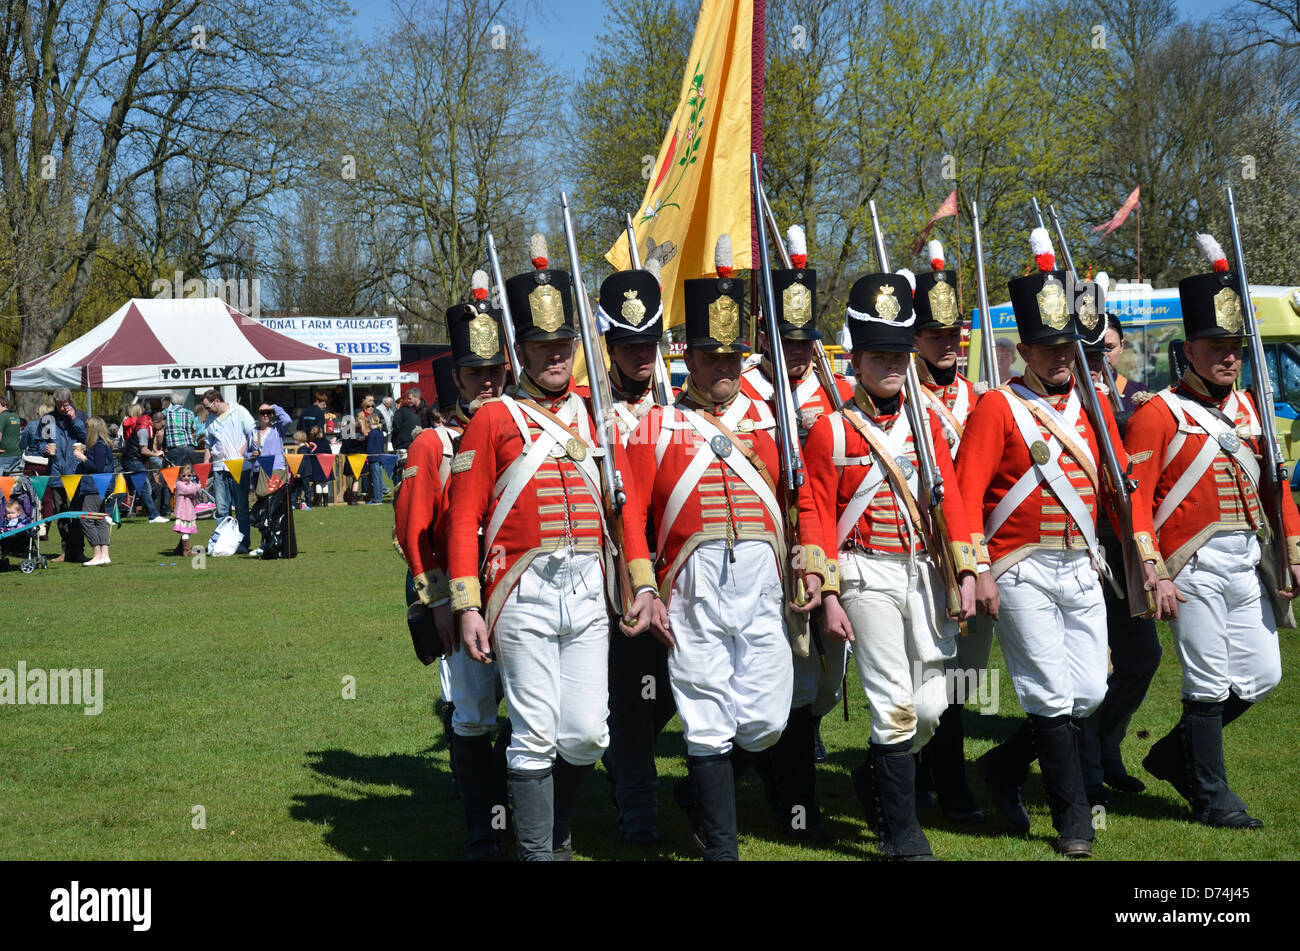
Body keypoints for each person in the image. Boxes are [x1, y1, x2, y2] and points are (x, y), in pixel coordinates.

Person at [619, 234, 827, 861]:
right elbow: (630, 512)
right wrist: (645, 586)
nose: (723, 370)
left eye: (732, 357)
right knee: (706, 715)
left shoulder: (773, 423)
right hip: (691, 586)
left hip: (763, 587)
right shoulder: (656, 426)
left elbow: (804, 499)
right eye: (711, 359)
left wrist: (810, 561)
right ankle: (721, 844)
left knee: (766, 718)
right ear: (688, 360)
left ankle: (704, 802)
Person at [956, 228, 1162, 858]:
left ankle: (1002, 769)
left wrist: (1147, 556)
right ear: (1024, 349)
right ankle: (1074, 818)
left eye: (1067, 346)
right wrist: (976, 568)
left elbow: (1125, 490)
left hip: (1081, 565)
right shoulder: (997, 407)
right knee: (1049, 690)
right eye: (1047, 348)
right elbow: (965, 495)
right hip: (1018, 565)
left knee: (1089, 692)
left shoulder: (1097, 407)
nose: (1059, 358)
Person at [446, 235, 631, 861]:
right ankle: (536, 851)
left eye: (563, 346)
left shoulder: (596, 414)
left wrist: (639, 584)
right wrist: (468, 605)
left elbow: (620, 506)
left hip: (588, 590)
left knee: (586, 734)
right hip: (520, 589)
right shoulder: (494, 418)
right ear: (520, 351)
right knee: (532, 734)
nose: (554, 357)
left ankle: (552, 829)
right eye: (542, 347)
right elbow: (464, 517)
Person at [803, 269, 978, 860]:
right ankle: (901, 834)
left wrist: (969, 569)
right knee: (894, 703)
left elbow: (949, 496)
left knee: (932, 705)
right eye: (880, 355)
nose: (893, 366)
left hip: (924, 571)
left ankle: (878, 780)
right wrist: (827, 593)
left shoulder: (926, 422)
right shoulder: (829, 429)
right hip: (862, 574)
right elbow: (816, 513)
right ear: (855, 357)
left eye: (900, 353)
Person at [1127, 233, 1300, 829]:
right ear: (1190, 349)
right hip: (1190, 565)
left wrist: (1292, 550)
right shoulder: (1158, 412)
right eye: (1216, 346)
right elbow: (1137, 498)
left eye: (1235, 347)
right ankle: (1211, 798)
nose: (1229, 356)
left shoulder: (1253, 408)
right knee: (1205, 677)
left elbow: (1274, 489)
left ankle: (1173, 755)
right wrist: (1152, 568)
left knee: (1262, 673)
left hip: (1247, 559)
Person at [734, 227, 854, 841]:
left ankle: (775, 786)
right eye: (790, 339)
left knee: (820, 677)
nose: (801, 353)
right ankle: (790, 802)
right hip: (767, 544)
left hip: (825, 540)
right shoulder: (744, 389)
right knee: (787, 673)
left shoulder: (835, 389)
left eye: (808, 340)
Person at [400, 272, 510, 860]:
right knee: (471, 713)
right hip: (461, 597)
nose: (487, 382)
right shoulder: (434, 445)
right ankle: (484, 832)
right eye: (476, 373)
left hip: (518, 595)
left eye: (495, 371)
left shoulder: (520, 429)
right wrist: (440, 602)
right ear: (459, 378)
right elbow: (415, 530)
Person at [901, 241, 989, 824]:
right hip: (915, 546)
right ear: (914, 340)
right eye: (936, 335)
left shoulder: (979, 398)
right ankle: (921, 783)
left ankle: (942, 777)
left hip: (968, 545)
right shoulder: (903, 398)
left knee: (965, 674)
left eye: (954, 333)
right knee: (921, 671)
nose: (949, 344)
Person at [595, 259, 678, 846]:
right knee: (630, 691)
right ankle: (639, 808)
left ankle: (631, 772)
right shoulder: (588, 411)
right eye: (628, 345)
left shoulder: (681, 405)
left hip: (680, 567)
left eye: (648, 342)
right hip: (619, 570)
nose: (640, 355)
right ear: (609, 345)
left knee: (675, 688)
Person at [1074, 282, 1162, 807]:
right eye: (1089, 351)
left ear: (1120, 348)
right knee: (1088, 667)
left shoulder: (1140, 399)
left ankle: (1106, 745)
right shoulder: (1068, 399)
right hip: (1084, 542)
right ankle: (1087, 767)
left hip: (1125, 543)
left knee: (1141, 658)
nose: (1099, 358)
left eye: (1106, 348)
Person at [200, 389, 254, 555]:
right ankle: (224, 544)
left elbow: (251, 432)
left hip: (238, 466)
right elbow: (208, 444)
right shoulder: (211, 419)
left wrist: (241, 452)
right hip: (219, 468)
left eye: (208, 407)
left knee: (242, 508)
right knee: (222, 509)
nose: (207, 411)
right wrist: (204, 465)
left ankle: (243, 543)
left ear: (216, 401)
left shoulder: (239, 411)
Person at [1084, 292, 1150, 414]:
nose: (1103, 356)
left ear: (1121, 346)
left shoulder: (1136, 392)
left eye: (1109, 347)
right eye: (1095, 350)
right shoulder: (1076, 392)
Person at [47, 388, 90, 561]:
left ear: (70, 401)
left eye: (65, 405)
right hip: (56, 472)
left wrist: (74, 420)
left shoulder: (81, 416)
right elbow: (39, 442)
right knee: (61, 514)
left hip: (76, 472)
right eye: (59, 405)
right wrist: (44, 449)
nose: (62, 408)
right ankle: (66, 551)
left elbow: (88, 437)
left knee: (77, 514)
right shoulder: (48, 419)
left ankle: (78, 550)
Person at [72, 416, 114, 566]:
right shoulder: (99, 446)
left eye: (87, 428)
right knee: (99, 518)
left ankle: (97, 553)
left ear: (93, 430)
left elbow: (97, 468)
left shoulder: (100, 446)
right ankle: (105, 555)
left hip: (96, 487)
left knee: (86, 518)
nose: (85, 431)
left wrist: (82, 458)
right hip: (98, 487)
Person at [160, 391, 199, 513]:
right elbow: (194, 431)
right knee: (191, 476)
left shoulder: (165, 414)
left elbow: (161, 433)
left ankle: (166, 508)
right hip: (189, 447)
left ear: (171, 402)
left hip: (174, 449)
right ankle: (196, 503)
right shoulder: (190, 413)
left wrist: (161, 447)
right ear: (182, 402)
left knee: (168, 478)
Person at [170, 464, 201, 557]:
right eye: (184, 475)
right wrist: (198, 486)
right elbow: (188, 491)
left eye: (189, 475)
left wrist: (197, 491)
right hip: (183, 512)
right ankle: (186, 551)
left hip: (190, 512)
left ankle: (180, 549)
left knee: (187, 531)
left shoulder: (192, 484)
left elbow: (196, 496)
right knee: (185, 531)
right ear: (180, 475)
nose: (186, 477)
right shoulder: (179, 484)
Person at [0, 394, 21, 474]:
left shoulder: (2, 417)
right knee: (14, 482)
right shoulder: (15, 416)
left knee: (1, 483)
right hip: (17, 454)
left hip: (4, 456)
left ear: (4, 404)